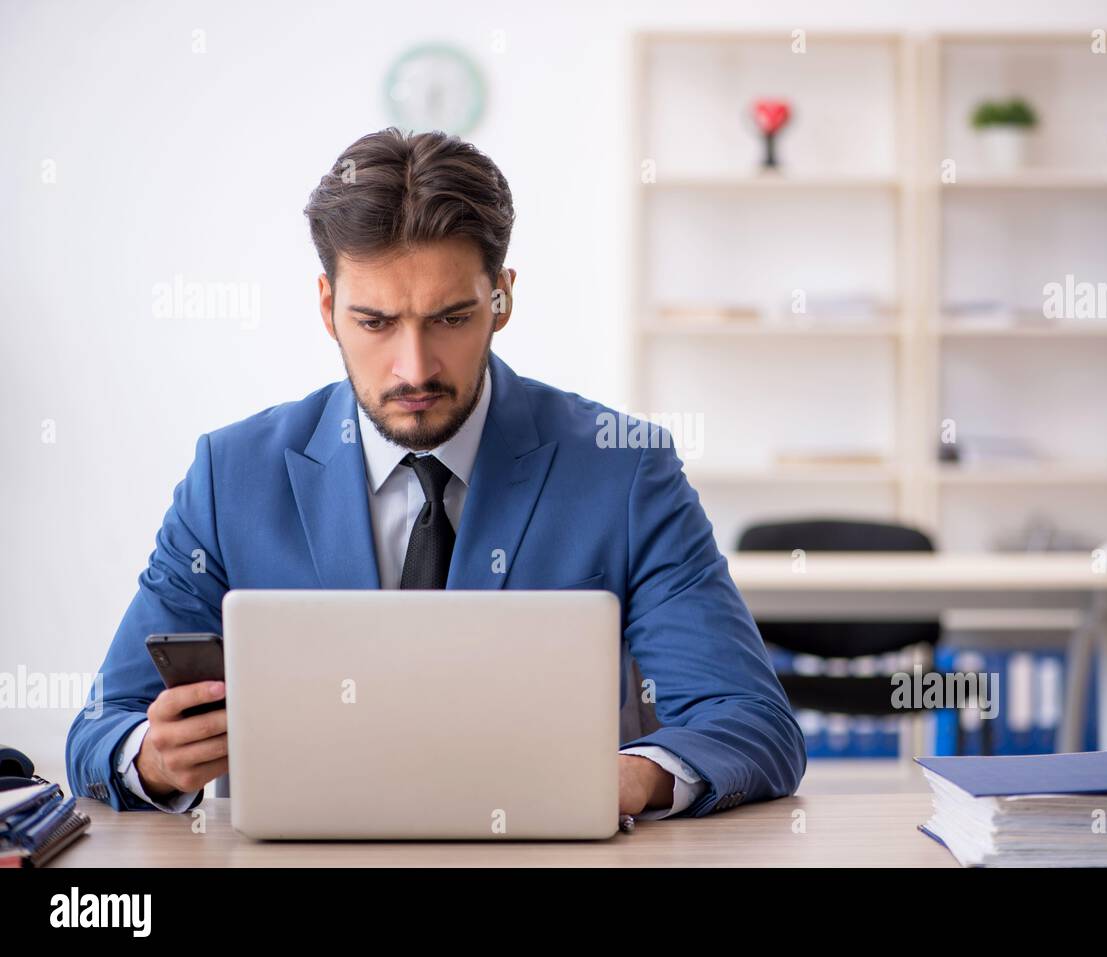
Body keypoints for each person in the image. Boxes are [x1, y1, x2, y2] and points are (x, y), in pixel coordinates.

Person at [65, 127, 806, 820]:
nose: (413, 369)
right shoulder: (232, 478)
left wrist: (624, 778)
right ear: (328, 308)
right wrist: (155, 758)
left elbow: (752, 722)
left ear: (501, 299)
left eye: (451, 318)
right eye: (376, 322)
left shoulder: (624, 470)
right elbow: (97, 729)